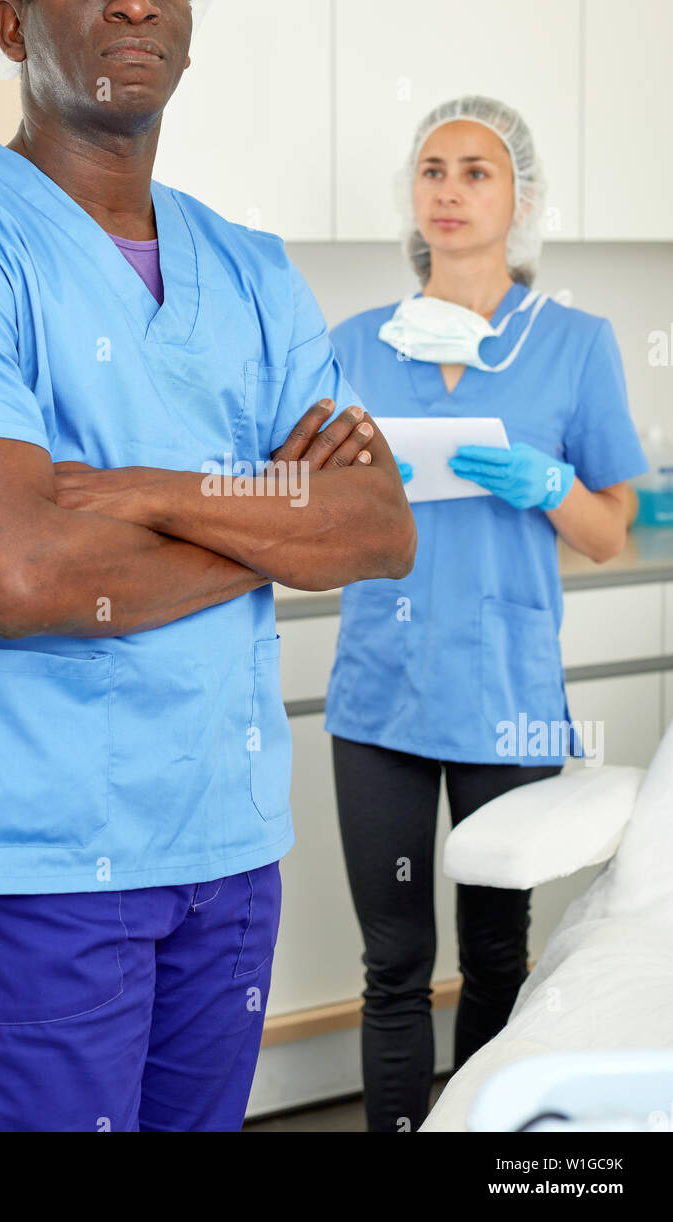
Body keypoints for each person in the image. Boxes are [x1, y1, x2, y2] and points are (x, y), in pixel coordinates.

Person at [0, 0, 415, 1133]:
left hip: (225, 847)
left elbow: (380, 526)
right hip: (33, 859)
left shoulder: (251, 266)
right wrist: (278, 525)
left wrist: (125, 491)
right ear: (12, 17)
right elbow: (26, 576)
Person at [324, 94, 648, 1133]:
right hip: (378, 699)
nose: (450, 191)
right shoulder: (352, 346)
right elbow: (309, 509)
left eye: (476, 170)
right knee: (391, 963)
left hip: (504, 696)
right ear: (409, 199)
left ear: (520, 197)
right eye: (431, 171)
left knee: (496, 953)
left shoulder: (575, 343)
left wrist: (550, 485)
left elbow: (607, 533)